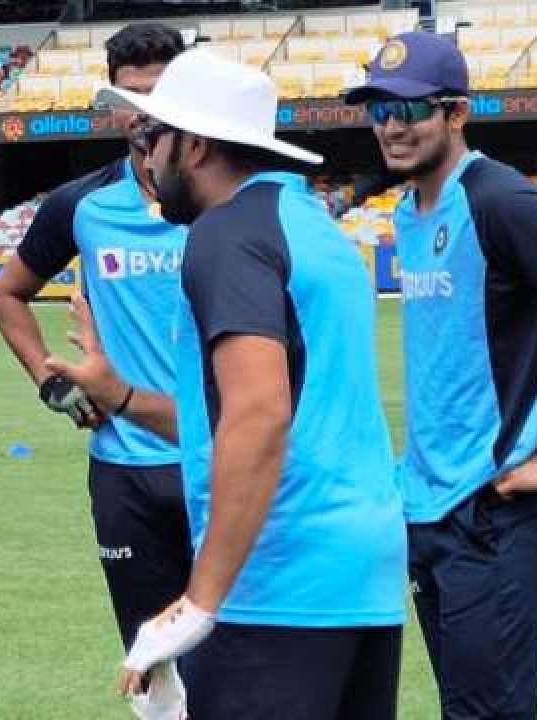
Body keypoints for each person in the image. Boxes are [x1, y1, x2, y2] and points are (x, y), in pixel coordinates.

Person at [344, 32, 537, 719]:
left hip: (495, 508)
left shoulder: (500, 200)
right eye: (379, 110)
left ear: (457, 113)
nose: (391, 126)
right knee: (466, 708)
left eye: (409, 109)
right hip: (427, 505)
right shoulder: (409, 210)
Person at [106, 50, 407, 719]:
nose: (146, 159)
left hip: (278, 580)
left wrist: (200, 601)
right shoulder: (313, 225)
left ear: (195, 146)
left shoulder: (226, 233)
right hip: (362, 576)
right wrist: (117, 394)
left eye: (154, 137)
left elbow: (260, 413)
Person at [0, 22, 192, 652]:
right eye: (132, 95)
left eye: (160, 91)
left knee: (240, 657)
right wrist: (51, 382)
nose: (145, 110)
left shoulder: (224, 198)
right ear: (112, 103)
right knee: (149, 659)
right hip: (124, 472)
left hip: (216, 458)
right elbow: (7, 294)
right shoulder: (84, 206)